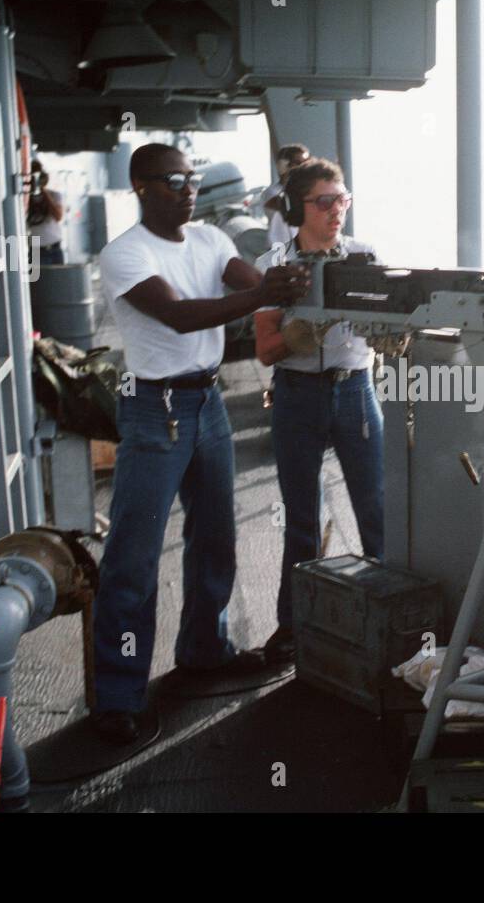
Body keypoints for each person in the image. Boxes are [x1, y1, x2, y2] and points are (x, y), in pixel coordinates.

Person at [90, 143, 306, 744]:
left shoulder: (211, 240)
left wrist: (282, 280)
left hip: (207, 403)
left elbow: (249, 280)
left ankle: (206, 650)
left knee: (215, 534)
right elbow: (181, 316)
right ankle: (118, 696)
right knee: (133, 555)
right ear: (140, 187)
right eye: (173, 180)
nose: (187, 189)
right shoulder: (124, 255)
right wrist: (266, 295)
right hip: (154, 410)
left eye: (192, 179)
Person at [253, 158, 384, 664]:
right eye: (324, 201)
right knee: (301, 518)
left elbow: (383, 324)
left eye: (343, 199)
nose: (337, 211)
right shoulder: (274, 265)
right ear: (297, 208)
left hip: (354, 390)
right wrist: (296, 335)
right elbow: (265, 351)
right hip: (298, 394)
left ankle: (383, 618)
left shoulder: (365, 255)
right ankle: (293, 626)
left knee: (374, 509)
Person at [261, 143, 309, 249]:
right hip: (278, 250)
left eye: (306, 163)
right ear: (284, 165)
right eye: (299, 163)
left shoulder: (303, 192)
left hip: (297, 249)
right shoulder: (271, 192)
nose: (305, 167)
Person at [26, 160, 66, 265]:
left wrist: (43, 191)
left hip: (54, 247)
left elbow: (58, 216)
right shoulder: (26, 199)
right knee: (38, 280)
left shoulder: (54, 195)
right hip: (36, 250)